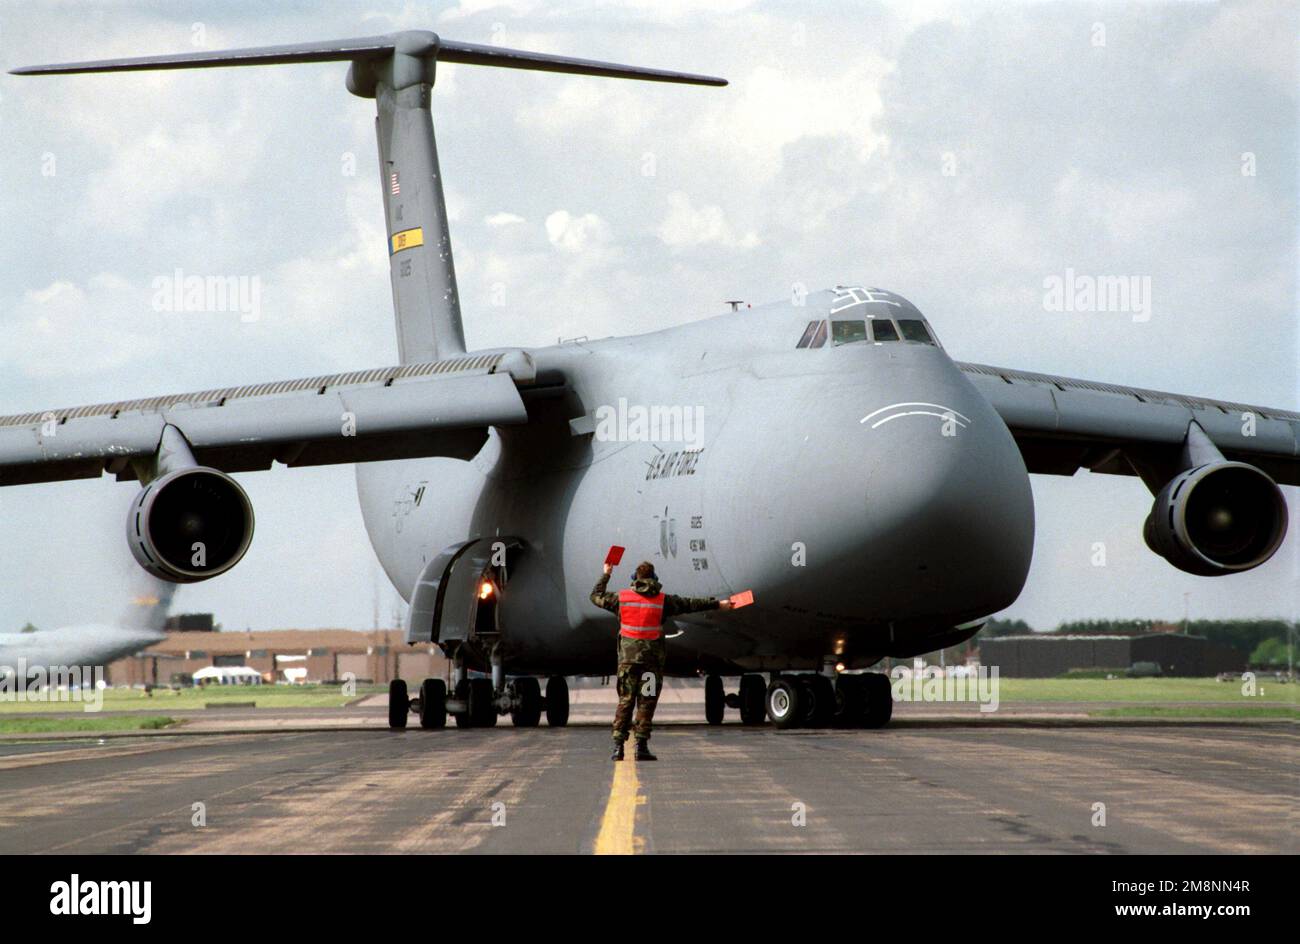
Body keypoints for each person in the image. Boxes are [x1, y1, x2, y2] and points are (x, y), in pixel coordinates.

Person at [591, 559, 733, 761]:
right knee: (646, 702)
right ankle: (641, 746)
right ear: (655, 578)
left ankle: (618, 747)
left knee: (625, 701)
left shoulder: (621, 599)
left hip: (628, 663)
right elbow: (690, 604)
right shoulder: (662, 601)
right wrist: (718, 604)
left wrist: (607, 573)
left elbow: (596, 596)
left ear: (635, 578)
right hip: (651, 664)